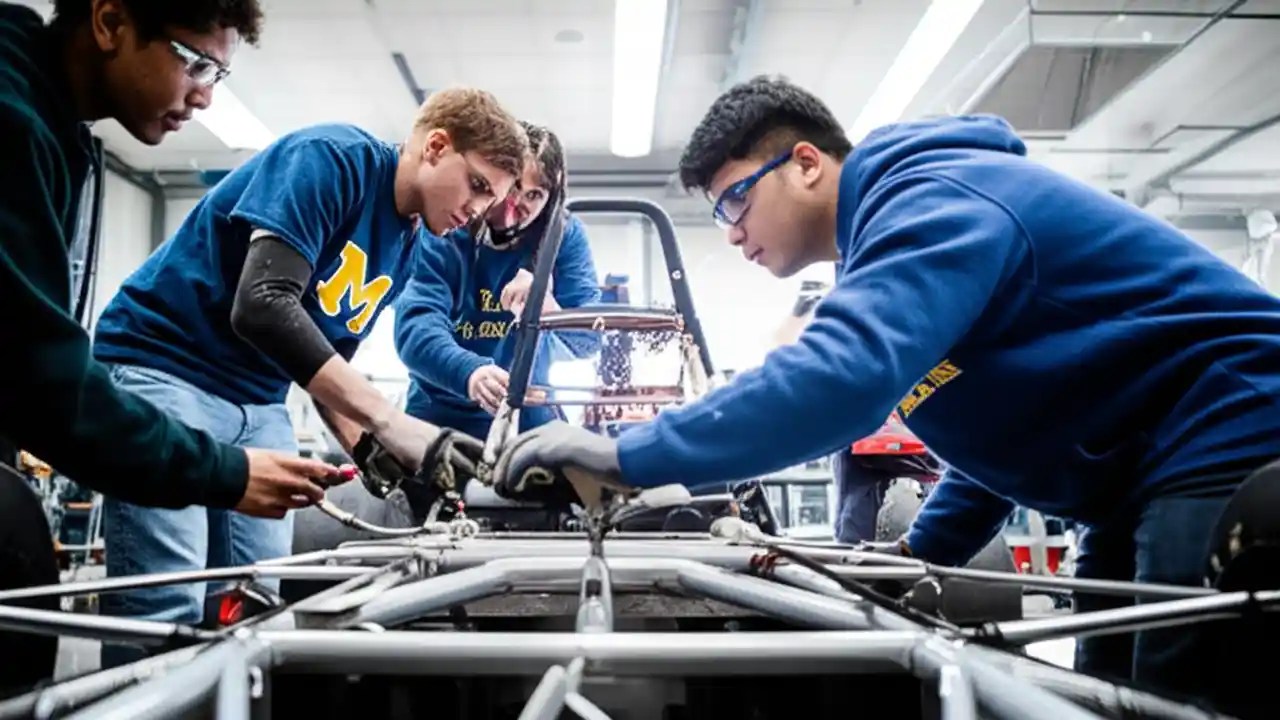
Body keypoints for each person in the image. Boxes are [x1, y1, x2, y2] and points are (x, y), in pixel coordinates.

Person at [492, 75, 1280, 713]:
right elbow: (999, 434)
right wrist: (912, 557)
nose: (731, 233)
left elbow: (844, 377)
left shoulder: (931, 196)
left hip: (1225, 423)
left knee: (1177, 694)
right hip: (1135, 481)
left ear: (805, 164)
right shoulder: (893, 243)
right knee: (1105, 694)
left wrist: (629, 453)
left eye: (736, 201)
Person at [89, 87, 528, 666]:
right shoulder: (332, 159)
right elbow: (264, 305)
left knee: (255, 604)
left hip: (257, 395)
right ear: (436, 146)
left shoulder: (407, 244)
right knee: (166, 604)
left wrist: (379, 454)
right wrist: (395, 422)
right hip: (167, 366)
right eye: (477, 185)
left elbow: (320, 361)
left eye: (490, 201)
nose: (479, 211)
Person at [0, 0, 342, 696]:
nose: (204, 95)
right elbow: (43, 385)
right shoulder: (12, 121)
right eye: (192, 62)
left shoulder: (57, 126)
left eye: (216, 72)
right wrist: (226, 472)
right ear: (108, 23)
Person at [394, 122, 601, 446]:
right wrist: (470, 373)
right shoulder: (445, 225)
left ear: (552, 199)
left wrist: (546, 308)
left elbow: (590, 339)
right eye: (511, 189)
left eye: (533, 196)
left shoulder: (564, 235)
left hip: (528, 421)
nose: (510, 213)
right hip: (440, 419)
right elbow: (415, 329)